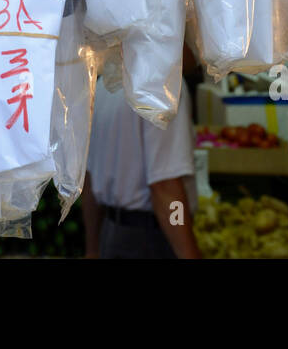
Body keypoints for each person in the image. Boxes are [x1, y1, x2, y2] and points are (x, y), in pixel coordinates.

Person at [83, 76, 202, 259]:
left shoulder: (104, 86)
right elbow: (165, 187)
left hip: (111, 231)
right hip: (150, 236)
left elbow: (89, 178)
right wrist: (189, 253)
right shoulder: (164, 86)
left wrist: (92, 248)